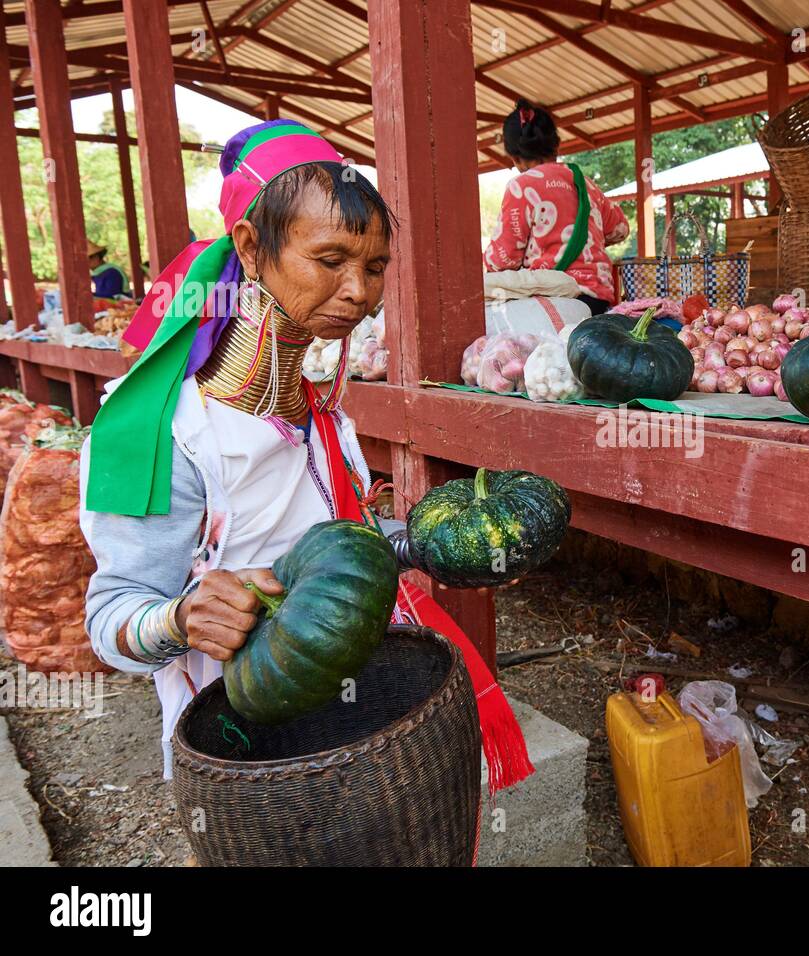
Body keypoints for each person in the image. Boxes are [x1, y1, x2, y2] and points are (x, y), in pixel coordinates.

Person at [82, 120, 531, 793]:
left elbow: (331, 552)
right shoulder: (162, 436)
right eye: (329, 261)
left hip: (355, 716)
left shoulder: (319, 411)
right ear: (251, 246)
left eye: (374, 266)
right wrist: (180, 617)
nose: (358, 291)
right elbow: (111, 617)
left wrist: (435, 545)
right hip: (244, 747)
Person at [484, 99, 630, 314]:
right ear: (556, 144)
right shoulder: (584, 182)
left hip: (556, 300)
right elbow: (620, 229)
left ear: (515, 157)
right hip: (599, 299)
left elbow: (503, 259)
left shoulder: (522, 186)